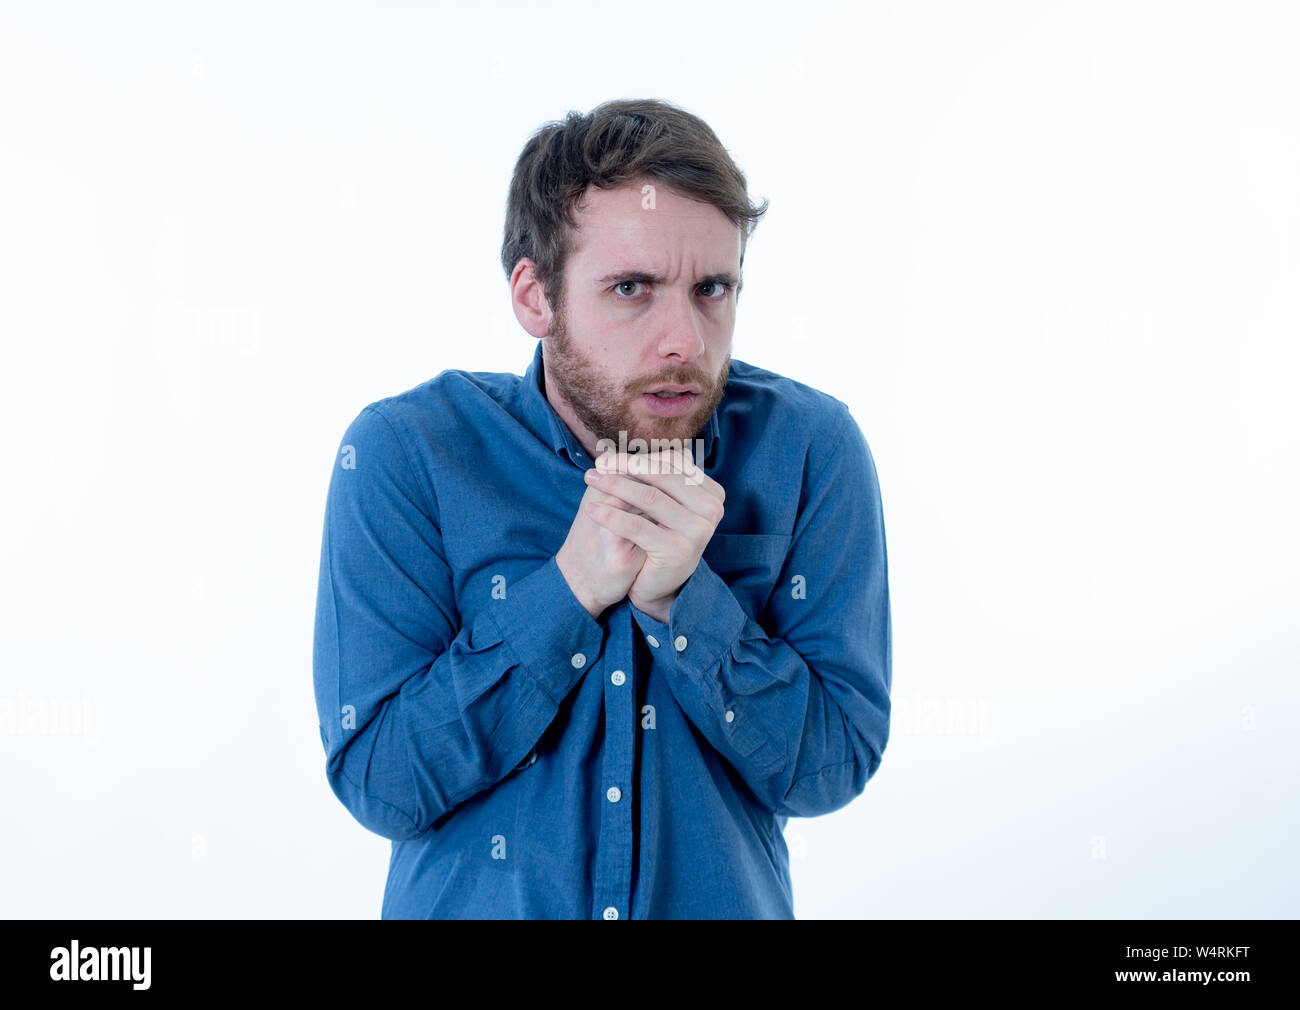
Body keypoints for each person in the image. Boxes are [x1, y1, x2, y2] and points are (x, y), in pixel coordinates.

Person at [311, 98, 892, 919]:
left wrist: (684, 606)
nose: (683, 340)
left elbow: (831, 767)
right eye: (632, 288)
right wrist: (567, 595)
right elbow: (380, 782)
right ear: (534, 296)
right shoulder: (407, 454)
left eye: (712, 289)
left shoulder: (811, 449)